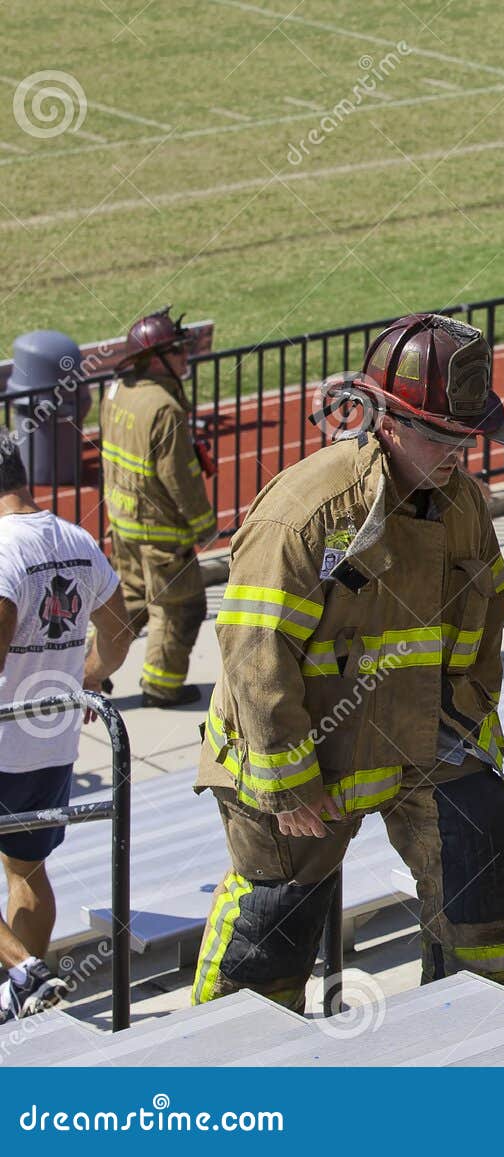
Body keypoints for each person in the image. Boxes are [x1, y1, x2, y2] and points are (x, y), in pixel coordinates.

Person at [190, 313, 504, 1009]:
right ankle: (226, 1078)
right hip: (302, 753)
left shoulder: (462, 505)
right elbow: (255, 650)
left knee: (483, 854)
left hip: (419, 744)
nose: (458, 452)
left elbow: (489, 608)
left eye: (467, 435)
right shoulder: (307, 512)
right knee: (271, 927)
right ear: (386, 419)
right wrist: (289, 780)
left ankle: (487, 1039)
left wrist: (465, 723)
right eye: (440, 435)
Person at [0, 431, 132, 1022]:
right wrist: (88, 681)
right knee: (27, 871)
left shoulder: (2, 554)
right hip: (52, 741)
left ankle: (24, 971)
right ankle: (20, 990)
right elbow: (121, 634)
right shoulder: (77, 540)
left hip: (4, 740)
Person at [99, 307, 217, 707]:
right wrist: (204, 527)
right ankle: (163, 687)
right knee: (180, 608)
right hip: (161, 534)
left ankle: (86, 672)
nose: (186, 357)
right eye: (178, 351)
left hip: (123, 523)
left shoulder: (117, 392)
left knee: (129, 604)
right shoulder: (164, 408)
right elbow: (180, 477)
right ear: (155, 357)